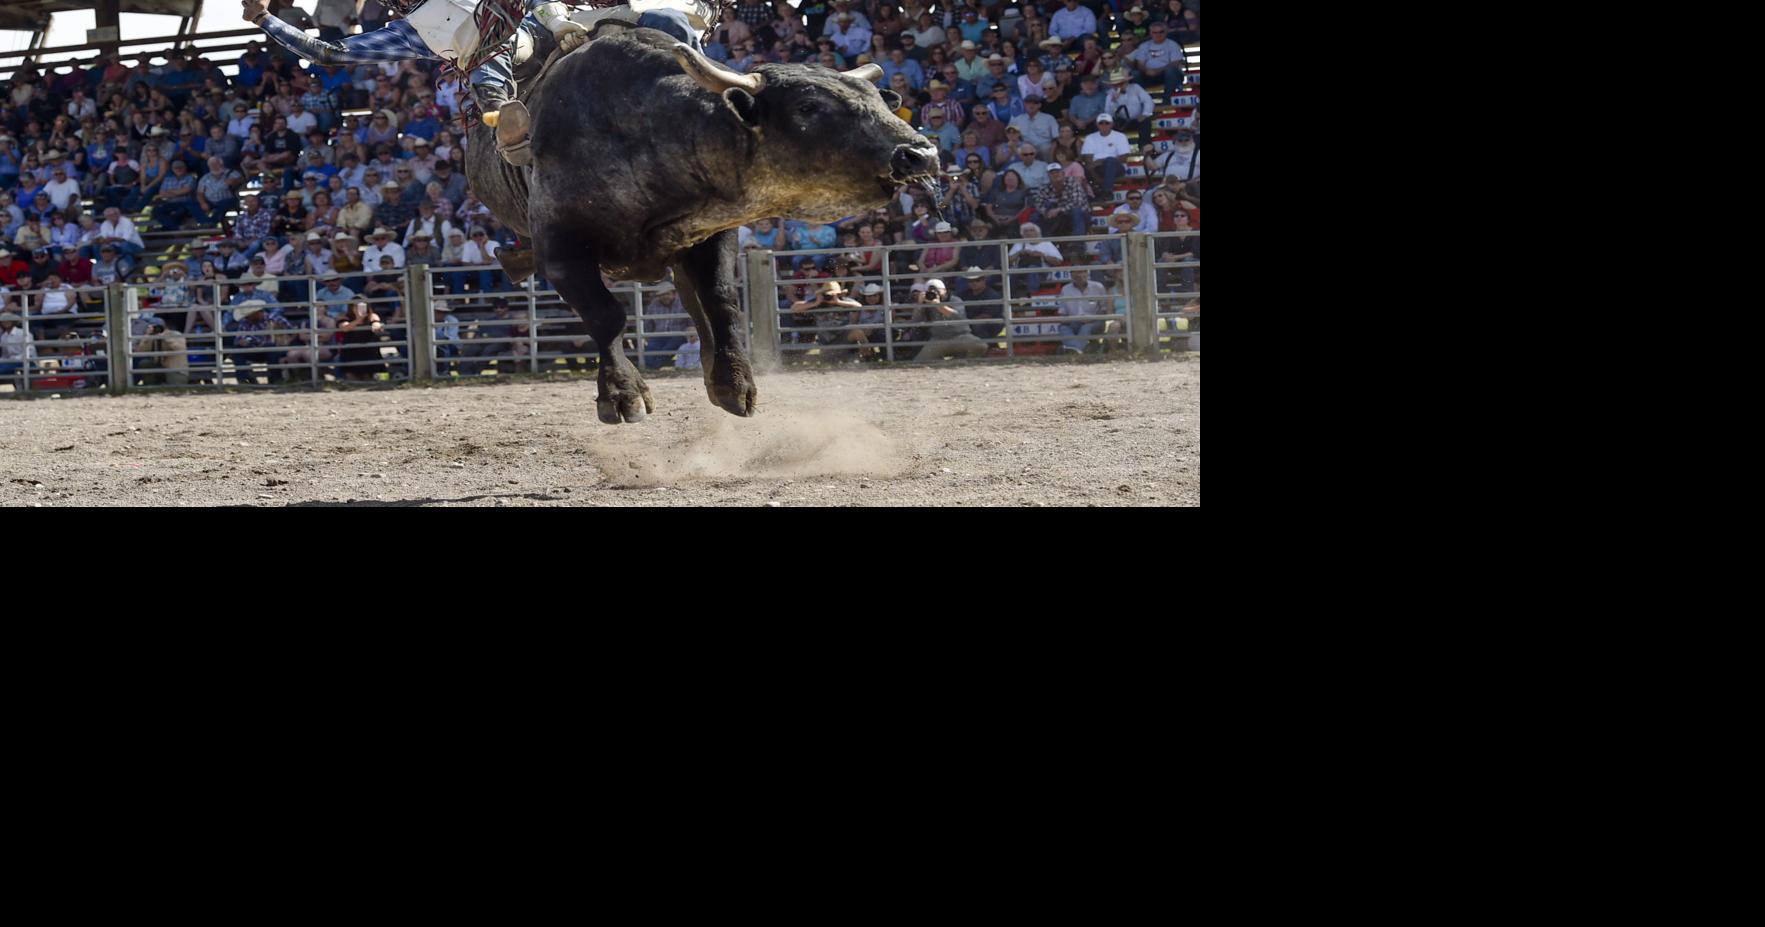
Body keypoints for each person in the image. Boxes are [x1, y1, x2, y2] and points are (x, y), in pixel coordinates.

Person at [244, 0, 698, 166]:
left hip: (550, 24)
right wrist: (265, 19)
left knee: (661, 17)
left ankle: (705, 78)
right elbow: (328, 52)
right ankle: (515, 140)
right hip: (499, 59)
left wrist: (557, 21)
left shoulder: (410, 30)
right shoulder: (409, 29)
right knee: (490, 85)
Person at [909, 278, 986, 360]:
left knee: (981, 346)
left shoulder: (955, 299)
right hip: (938, 339)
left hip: (960, 336)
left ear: (944, 290)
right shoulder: (926, 303)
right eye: (930, 291)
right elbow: (915, 321)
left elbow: (957, 317)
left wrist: (938, 305)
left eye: (936, 290)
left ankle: (961, 362)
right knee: (919, 361)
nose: (934, 293)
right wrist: (920, 305)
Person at [1056, 268, 1110, 353]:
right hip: (1073, 321)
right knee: (1063, 328)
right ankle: (1077, 350)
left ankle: (1072, 349)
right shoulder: (1065, 289)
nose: (1079, 275)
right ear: (1071, 275)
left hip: (1094, 321)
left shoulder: (1098, 287)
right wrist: (1069, 320)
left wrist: (1091, 318)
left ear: (1087, 273)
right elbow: (1062, 312)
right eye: (1075, 272)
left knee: (1085, 327)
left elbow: (1104, 309)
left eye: (1081, 272)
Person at [336, 299, 388, 380]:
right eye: (355, 306)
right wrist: (358, 320)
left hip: (368, 351)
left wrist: (375, 324)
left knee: (367, 378)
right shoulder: (344, 316)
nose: (358, 309)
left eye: (361, 306)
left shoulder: (372, 316)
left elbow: (376, 322)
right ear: (351, 308)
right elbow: (344, 328)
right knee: (351, 378)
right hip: (350, 352)